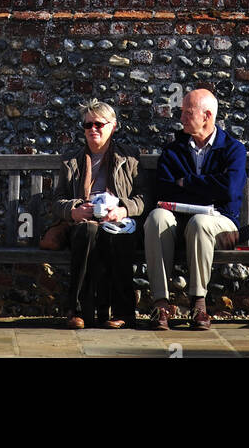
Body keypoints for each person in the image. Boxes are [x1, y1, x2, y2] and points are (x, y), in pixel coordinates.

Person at [144, 88, 246, 331]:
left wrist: (187, 182)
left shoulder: (233, 149)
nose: (181, 118)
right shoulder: (173, 150)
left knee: (200, 222)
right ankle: (160, 304)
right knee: (157, 217)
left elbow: (230, 191)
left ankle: (198, 304)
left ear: (207, 116)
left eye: (187, 113)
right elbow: (165, 192)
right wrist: (210, 186)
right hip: (178, 223)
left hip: (222, 224)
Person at [52, 99, 144, 329]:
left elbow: (143, 198)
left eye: (99, 124)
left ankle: (123, 312)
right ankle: (78, 312)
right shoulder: (71, 161)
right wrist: (74, 211)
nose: (93, 129)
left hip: (117, 220)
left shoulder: (130, 158)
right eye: (87, 125)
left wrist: (122, 209)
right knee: (88, 230)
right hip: (84, 221)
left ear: (113, 126)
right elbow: (55, 201)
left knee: (117, 235)